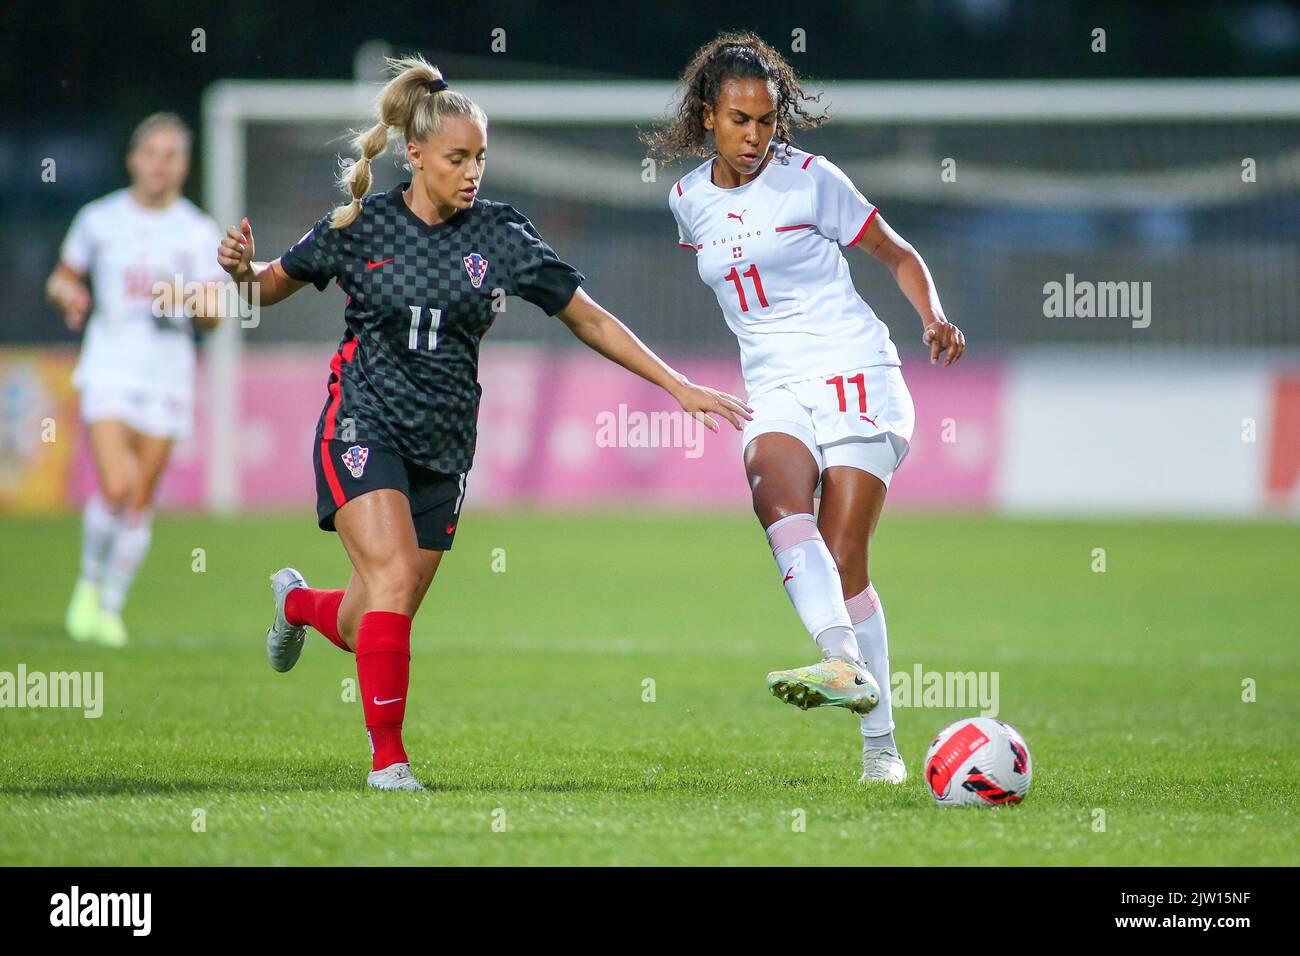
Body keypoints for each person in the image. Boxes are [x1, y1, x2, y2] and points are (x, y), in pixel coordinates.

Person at [217, 55, 751, 792]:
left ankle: (298, 603)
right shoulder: (359, 224)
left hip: (444, 445)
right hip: (362, 423)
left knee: (371, 612)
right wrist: (245, 272)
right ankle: (388, 764)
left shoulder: (500, 236)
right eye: (457, 158)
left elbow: (587, 317)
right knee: (396, 577)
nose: (473, 172)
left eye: (481, 158)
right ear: (415, 156)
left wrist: (676, 384)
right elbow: (273, 285)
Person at [644, 32, 966, 784]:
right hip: (776, 385)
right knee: (773, 492)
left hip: (855, 369)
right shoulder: (686, 201)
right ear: (706, 116)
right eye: (738, 119)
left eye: (766, 119)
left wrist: (933, 316)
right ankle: (842, 661)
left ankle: (880, 748)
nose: (754, 135)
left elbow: (896, 252)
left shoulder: (813, 179)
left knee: (844, 552)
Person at [48, 113, 227, 647]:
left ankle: (110, 605)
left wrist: (186, 298)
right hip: (108, 368)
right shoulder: (98, 219)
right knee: (116, 485)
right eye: (151, 153)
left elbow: (216, 313)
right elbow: (63, 276)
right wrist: (67, 295)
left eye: (170, 156)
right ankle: (85, 587)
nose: (158, 164)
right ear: (133, 159)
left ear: (183, 166)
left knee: (141, 499)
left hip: (168, 378)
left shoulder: (196, 231)